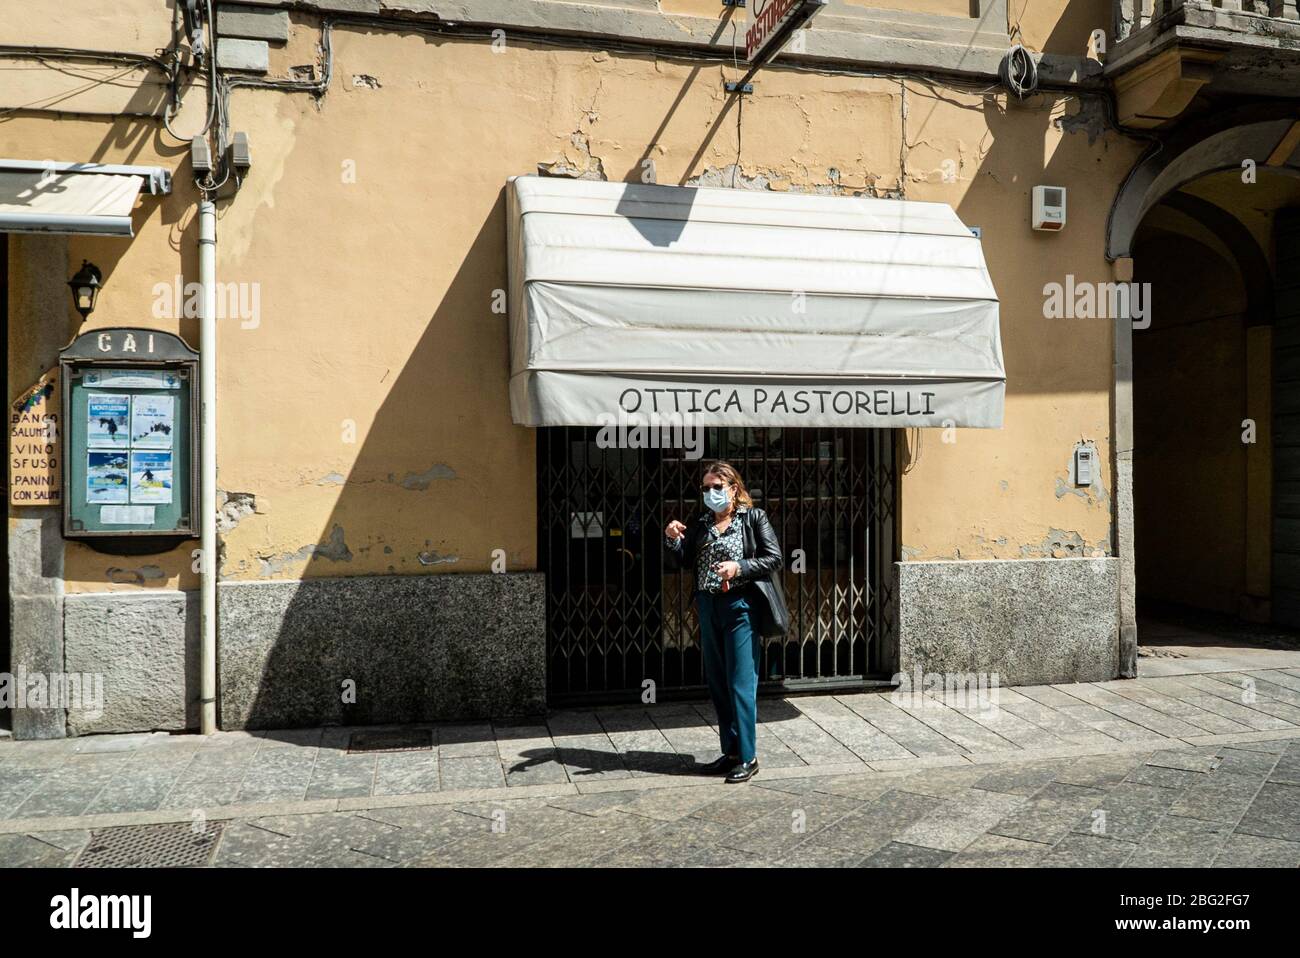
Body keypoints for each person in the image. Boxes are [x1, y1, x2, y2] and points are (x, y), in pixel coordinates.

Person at [664, 460, 783, 783]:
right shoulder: (702, 522)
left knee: (740, 682)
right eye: (706, 488)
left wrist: (739, 567)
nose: (711, 493)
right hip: (707, 605)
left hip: (740, 606)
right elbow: (684, 559)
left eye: (717, 487)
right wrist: (673, 538)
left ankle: (748, 756)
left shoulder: (753, 518)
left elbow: (774, 557)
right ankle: (730, 752)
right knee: (717, 682)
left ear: (734, 488)